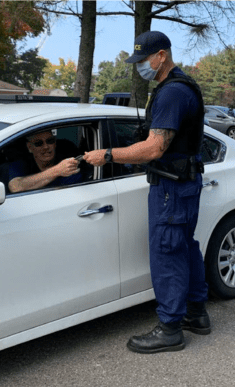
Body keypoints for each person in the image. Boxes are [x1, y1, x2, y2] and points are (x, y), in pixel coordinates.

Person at [84, 30, 209, 354]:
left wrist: (109, 154)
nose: (139, 65)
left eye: (143, 59)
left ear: (161, 55)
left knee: (167, 253)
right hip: (183, 184)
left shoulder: (171, 93)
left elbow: (155, 147)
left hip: (171, 187)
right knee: (184, 247)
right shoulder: (182, 86)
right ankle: (196, 314)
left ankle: (170, 329)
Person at [8, 130, 82, 193]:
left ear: (55, 143)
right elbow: (15, 187)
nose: (46, 147)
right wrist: (57, 170)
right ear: (30, 147)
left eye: (50, 141)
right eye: (39, 143)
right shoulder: (21, 163)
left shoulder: (68, 160)